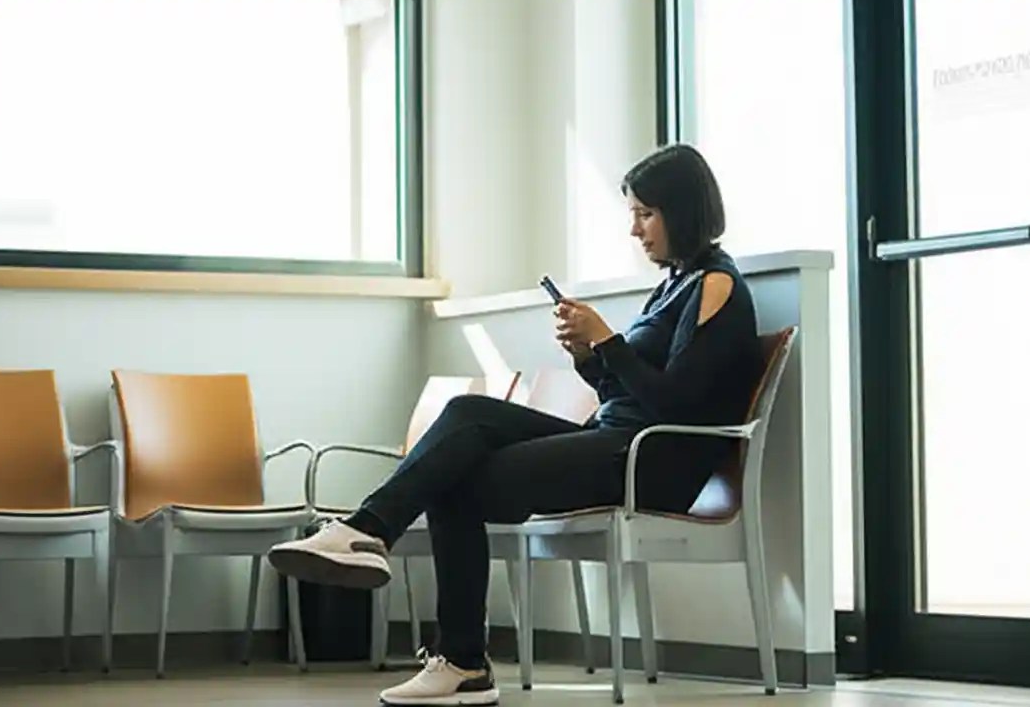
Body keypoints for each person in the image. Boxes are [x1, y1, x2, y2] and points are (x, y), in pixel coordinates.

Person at [267, 143, 764, 706]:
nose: (635, 230)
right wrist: (589, 356)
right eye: (633, 214)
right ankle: (371, 536)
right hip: (615, 440)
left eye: (645, 214)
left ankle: (454, 652)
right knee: (468, 414)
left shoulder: (716, 284)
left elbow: (675, 404)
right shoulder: (674, 283)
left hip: (651, 461)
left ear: (683, 210)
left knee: (454, 478)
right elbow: (624, 393)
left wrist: (608, 341)